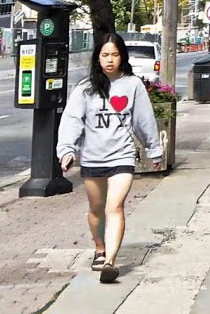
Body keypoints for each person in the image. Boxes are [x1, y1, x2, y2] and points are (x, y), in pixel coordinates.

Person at [57, 33, 164, 284]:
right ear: (97, 58)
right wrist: (67, 150)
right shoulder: (84, 88)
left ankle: (110, 262)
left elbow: (144, 120)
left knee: (114, 206)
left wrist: (154, 150)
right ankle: (99, 248)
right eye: (105, 55)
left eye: (115, 55)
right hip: (93, 157)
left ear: (122, 57)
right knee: (96, 209)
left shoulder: (133, 85)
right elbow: (72, 120)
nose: (109, 60)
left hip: (122, 155)